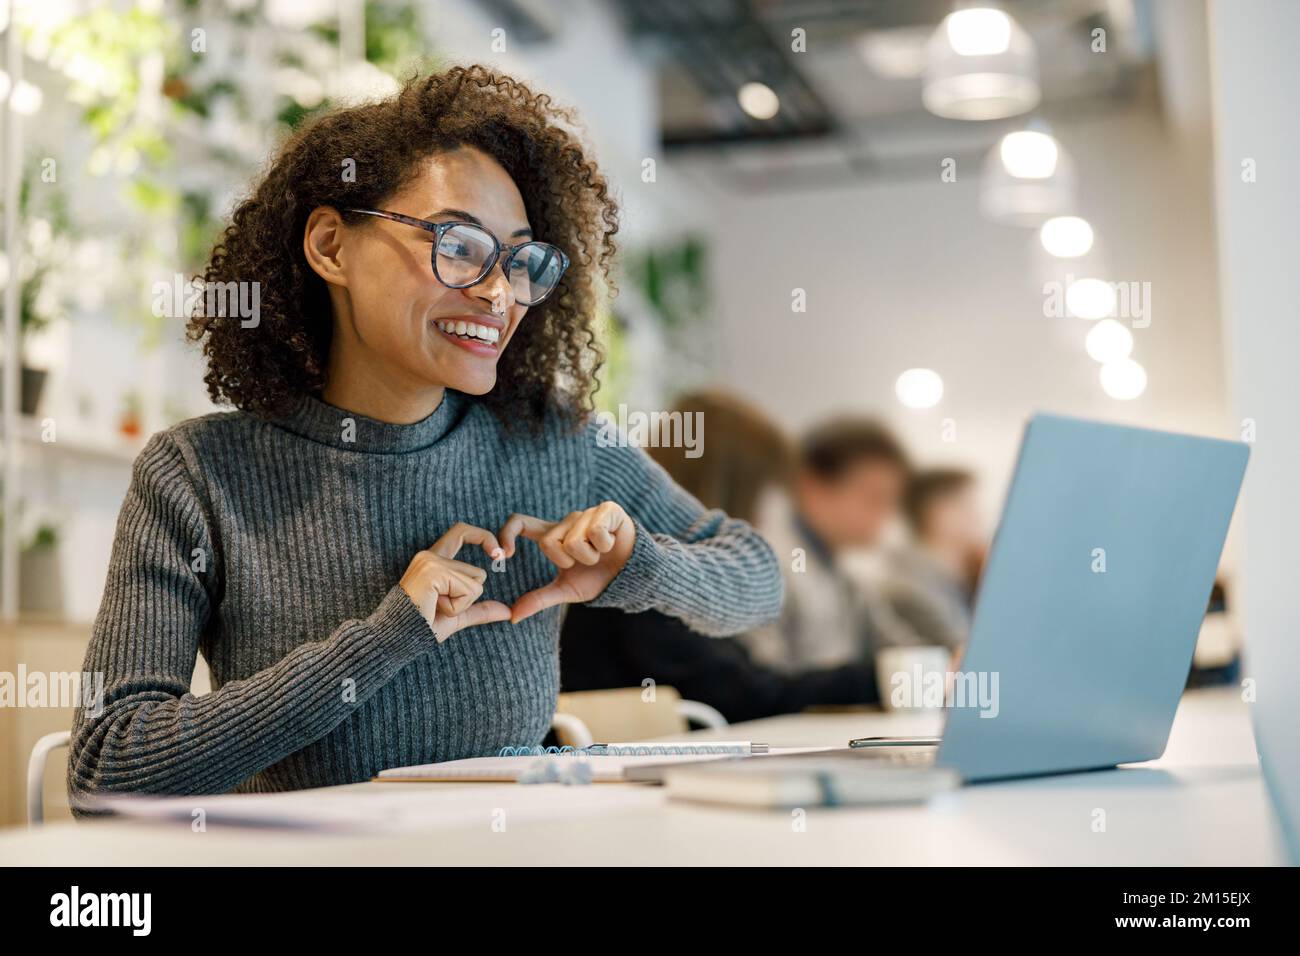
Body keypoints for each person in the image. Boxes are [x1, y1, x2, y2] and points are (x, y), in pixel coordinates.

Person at [68, 66, 781, 803]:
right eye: (460, 246)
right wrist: (389, 635)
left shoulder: (556, 445)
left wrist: (642, 564)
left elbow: (758, 577)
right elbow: (108, 769)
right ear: (330, 246)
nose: (499, 294)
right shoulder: (198, 473)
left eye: (519, 261)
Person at [561, 391, 881, 721]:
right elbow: (749, 697)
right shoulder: (645, 569)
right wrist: (884, 677)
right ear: (736, 491)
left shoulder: (661, 562)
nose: (765, 517)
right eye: (764, 495)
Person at [741, 416, 934, 672]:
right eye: (873, 499)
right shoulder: (767, 562)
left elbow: (897, 648)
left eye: (891, 503)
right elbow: (766, 682)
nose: (884, 517)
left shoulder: (843, 571)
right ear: (811, 486)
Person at [883, 468, 984, 650]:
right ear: (940, 514)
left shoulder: (955, 580)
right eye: (969, 506)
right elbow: (965, 652)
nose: (979, 516)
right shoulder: (911, 589)